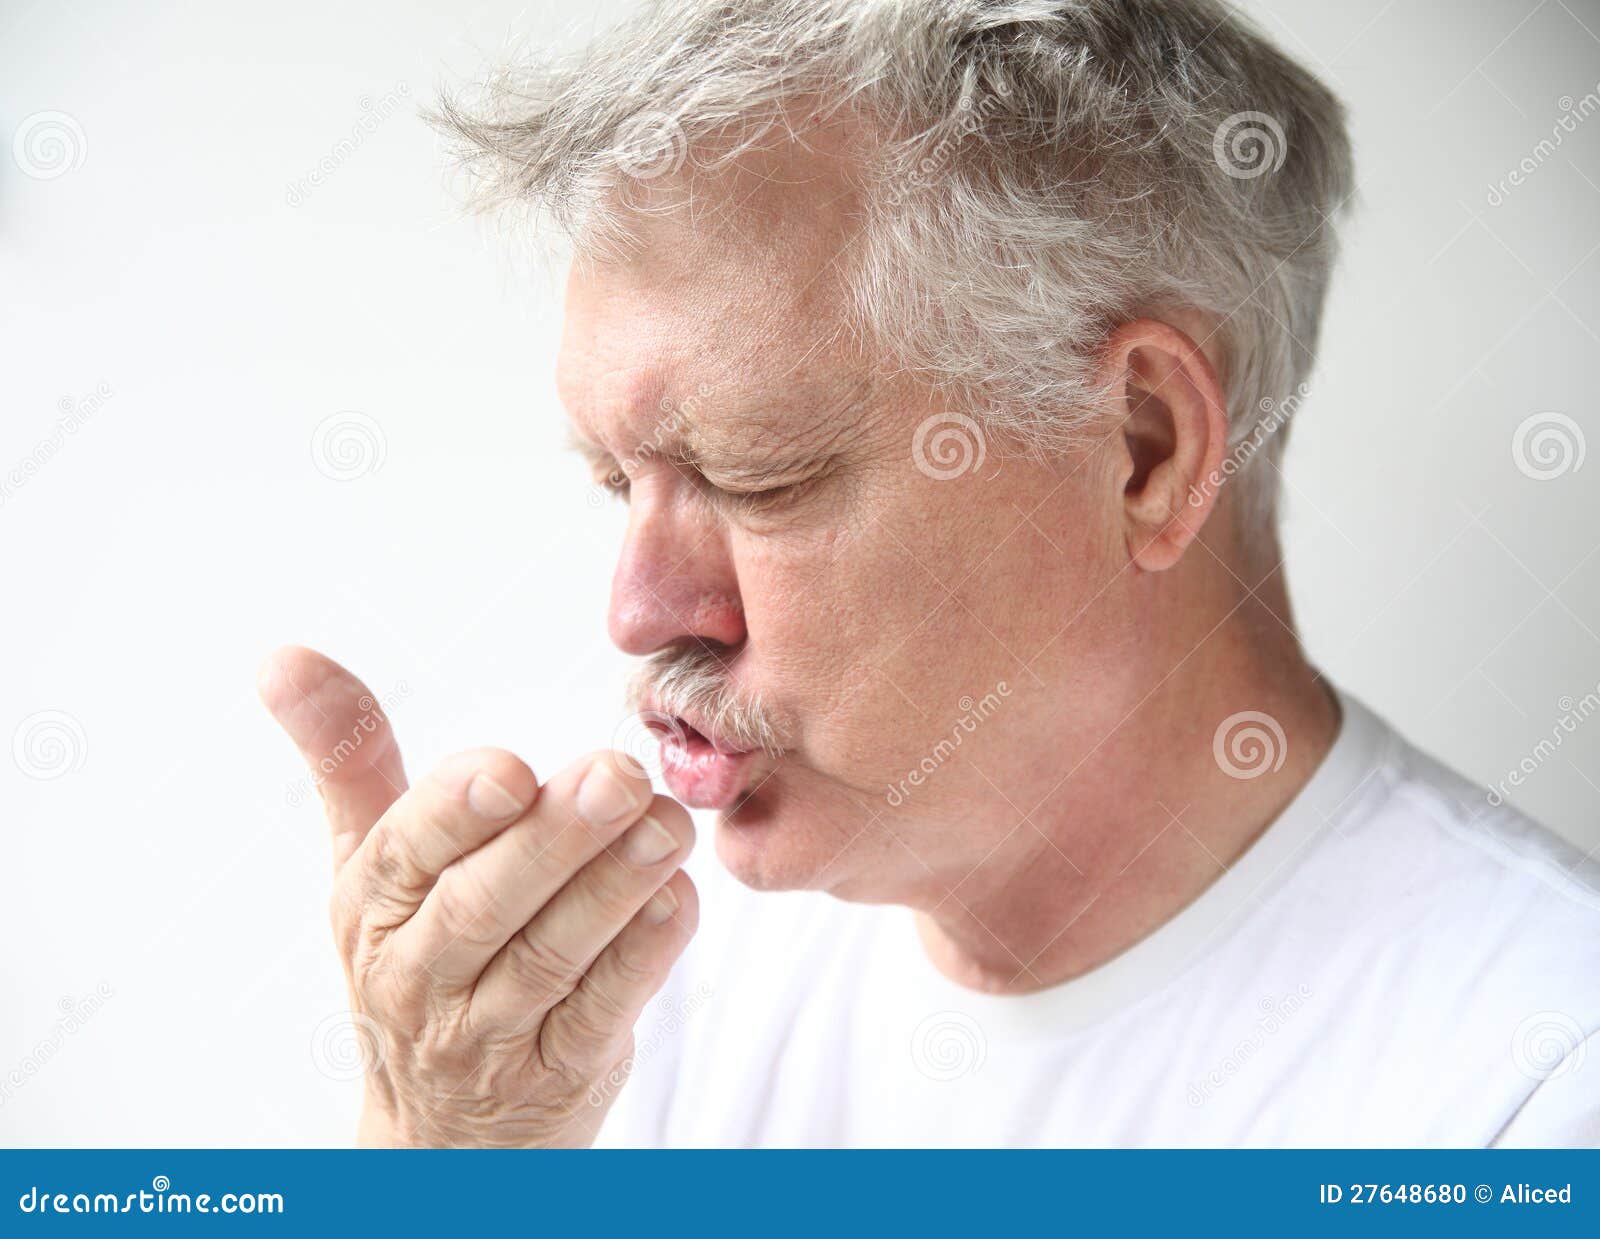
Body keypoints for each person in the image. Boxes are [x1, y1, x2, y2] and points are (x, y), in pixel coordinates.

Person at [258, 0, 1600, 1146]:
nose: (639, 612)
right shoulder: (595, 990)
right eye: (620, 481)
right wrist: (438, 1154)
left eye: (757, 474)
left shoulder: (1533, 1089)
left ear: (1143, 448)